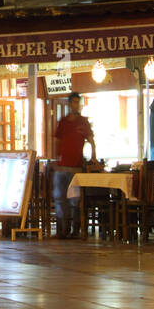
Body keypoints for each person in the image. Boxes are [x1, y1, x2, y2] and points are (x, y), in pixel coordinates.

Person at [51, 93, 93, 239]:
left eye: (78, 102)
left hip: (75, 167)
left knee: (75, 199)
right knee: (60, 198)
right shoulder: (63, 122)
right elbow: (57, 140)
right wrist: (56, 158)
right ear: (70, 104)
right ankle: (63, 229)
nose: (77, 105)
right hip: (62, 167)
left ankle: (75, 229)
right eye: (74, 102)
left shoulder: (83, 122)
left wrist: (93, 157)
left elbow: (91, 140)